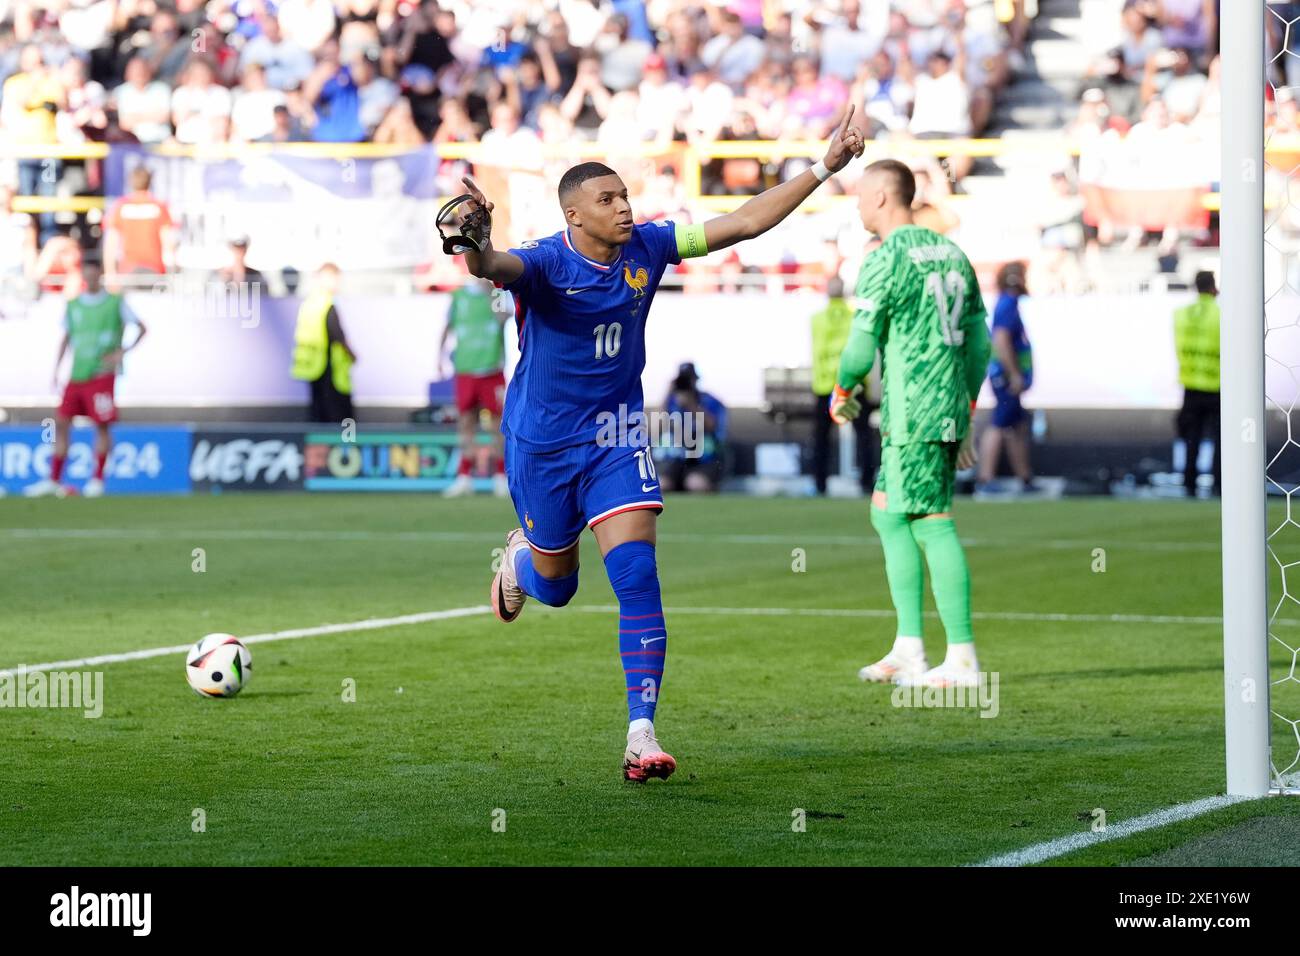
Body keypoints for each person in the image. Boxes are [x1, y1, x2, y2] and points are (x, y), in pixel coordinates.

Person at [458, 107, 865, 782]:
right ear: (574, 217)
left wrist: (824, 166)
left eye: (624, 195)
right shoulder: (542, 262)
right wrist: (472, 240)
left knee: (638, 576)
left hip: (617, 436)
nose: (624, 207)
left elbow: (745, 221)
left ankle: (641, 733)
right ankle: (521, 562)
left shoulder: (649, 245)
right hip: (542, 445)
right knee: (557, 591)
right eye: (607, 199)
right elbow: (488, 264)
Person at [830, 159, 990, 688]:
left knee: (930, 521)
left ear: (879, 197)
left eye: (858, 195)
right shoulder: (951, 251)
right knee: (888, 514)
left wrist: (843, 387)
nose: (855, 205)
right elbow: (980, 341)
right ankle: (908, 647)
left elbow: (859, 347)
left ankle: (962, 659)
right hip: (941, 406)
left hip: (914, 412)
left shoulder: (886, 259)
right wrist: (963, 411)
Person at [25, 260, 147, 498]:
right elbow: (66, 337)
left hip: (101, 374)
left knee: (101, 426)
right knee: (60, 422)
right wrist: (56, 369)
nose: (90, 279)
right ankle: (54, 479)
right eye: (87, 276)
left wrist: (122, 352)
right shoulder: (73, 305)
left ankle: (97, 480)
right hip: (77, 374)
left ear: (100, 275)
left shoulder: (115, 303)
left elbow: (142, 328)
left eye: (94, 275)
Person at [440, 276, 509, 498]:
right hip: (466, 369)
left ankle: (500, 477)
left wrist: (489, 291)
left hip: (491, 369)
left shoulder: (497, 292)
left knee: (497, 425)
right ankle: (464, 477)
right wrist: (439, 357)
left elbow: (504, 318)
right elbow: (447, 326)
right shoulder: (458, 296)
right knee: (466, 423)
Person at [811, 276, 875, 495]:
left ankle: (820, 484)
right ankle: (867, 482)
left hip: (825, 386)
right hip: (853, 385)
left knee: (821, 440)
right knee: (864, 436)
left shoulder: (817, 319)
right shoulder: (854, 316)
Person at [976, 261, 1035, 493]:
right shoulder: (1008, 303)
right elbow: (1001, 340)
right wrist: (1014, 374)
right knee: (999, 424)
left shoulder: (1005, 302)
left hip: (1004, 374)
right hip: (1005, 377)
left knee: (1016, 425)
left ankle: (1025, 477)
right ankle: (985, 478)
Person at [1173, 270, 1220, 496]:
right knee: (1221, 439)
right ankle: (1219, 483)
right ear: (1213, 287)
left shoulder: (1181, 314)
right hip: (1217, 385)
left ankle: (1189, 483)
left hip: (1190, 384)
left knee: (1192, 438)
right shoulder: (1221, 314)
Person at [291, 263, 356, 423]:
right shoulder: (327, 304)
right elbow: (337, 334)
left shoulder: (309, 304)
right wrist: (352, 354)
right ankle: (344, 446)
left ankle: (320, 446)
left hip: (312, 368)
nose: (337, 283)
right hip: (330, 369)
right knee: (339, 416)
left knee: (318, 414)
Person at [659, 362, 727, 493]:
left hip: (703, 459)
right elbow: (656, 429)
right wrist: (667, 395)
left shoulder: (709, 400)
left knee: (696, 484)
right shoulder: (671, 402)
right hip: (675, 458)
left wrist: (691, 404)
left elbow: (713, 427)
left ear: (696, 380)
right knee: (662, 484)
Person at [104, 167, 176, 277]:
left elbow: (111, 243)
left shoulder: (121, 207)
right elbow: (168, 243)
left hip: (128, 269)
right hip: (154, 268)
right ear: (150, 182)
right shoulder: (159, 207)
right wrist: (171, 273)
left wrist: (110, 273)